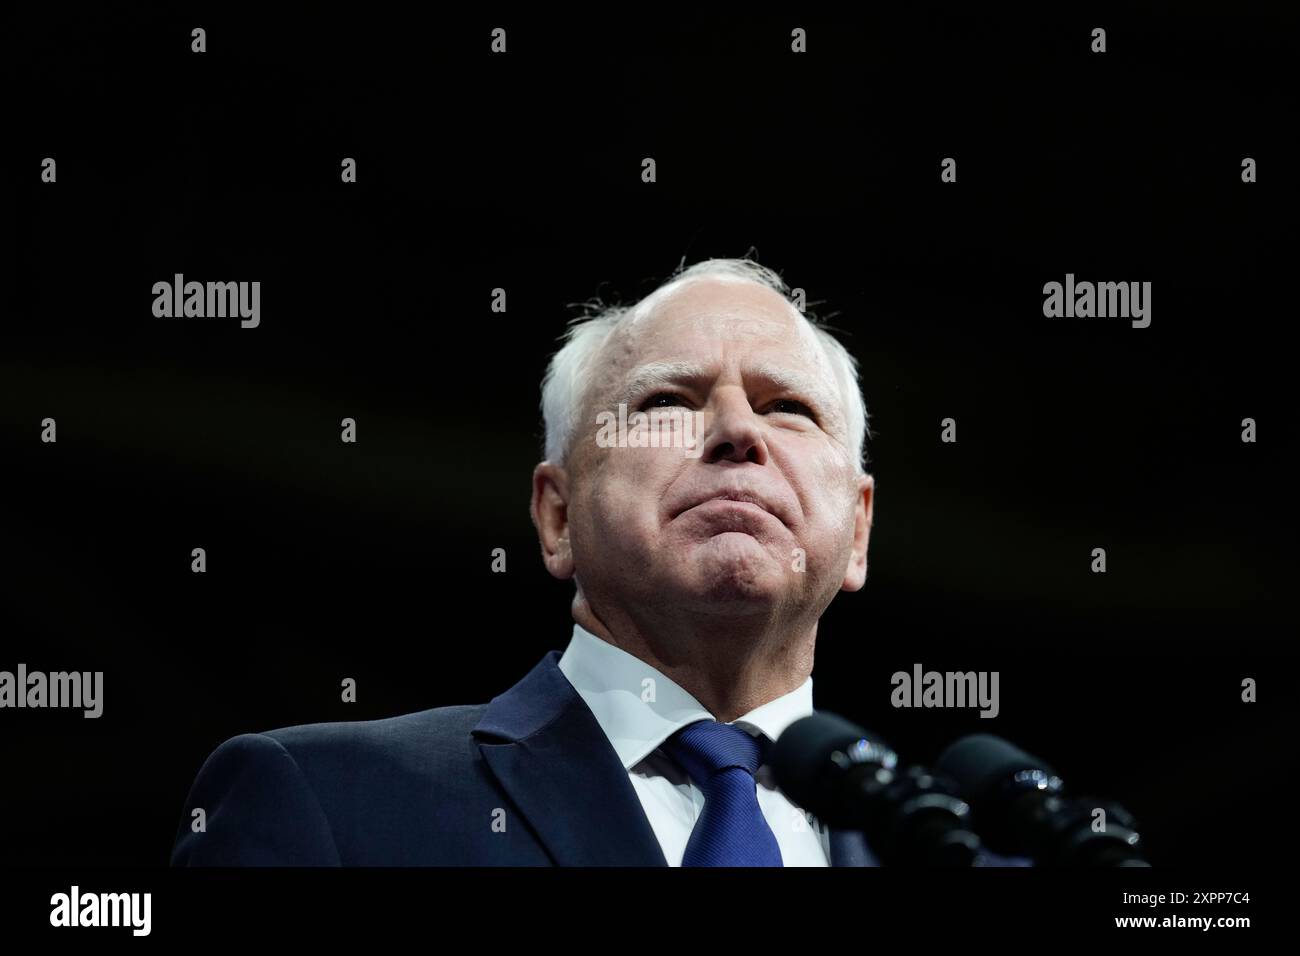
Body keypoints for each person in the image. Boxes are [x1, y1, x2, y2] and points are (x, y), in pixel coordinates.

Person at [172, 256, 944, 866]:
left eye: (789, 408)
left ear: (858, 532)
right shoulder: (331, 802)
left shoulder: (968, 851)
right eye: (668, 402)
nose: (739, 432)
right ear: (558, 516)